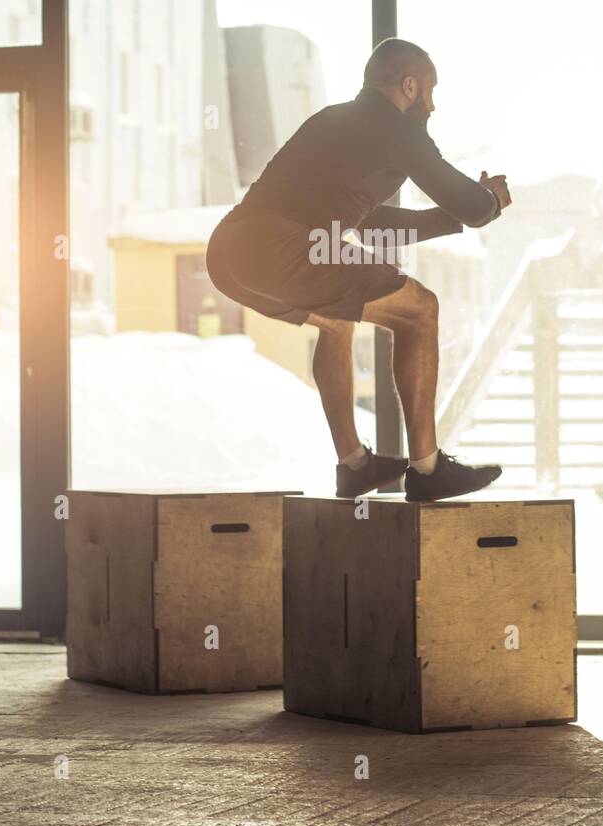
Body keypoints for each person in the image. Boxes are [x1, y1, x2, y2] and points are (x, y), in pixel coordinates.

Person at [206, 37, 511, 502]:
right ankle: (428, 470)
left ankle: (353, 465)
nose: (432, 104)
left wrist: (455, 221)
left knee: (336, 322)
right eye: (429, 91)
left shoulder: (333, 121)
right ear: (409, 85)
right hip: (285, 247)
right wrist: (491, 201)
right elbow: (471, 204)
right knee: (421, 309)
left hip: (229, 253)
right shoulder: (399, 129)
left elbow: (372, 225)